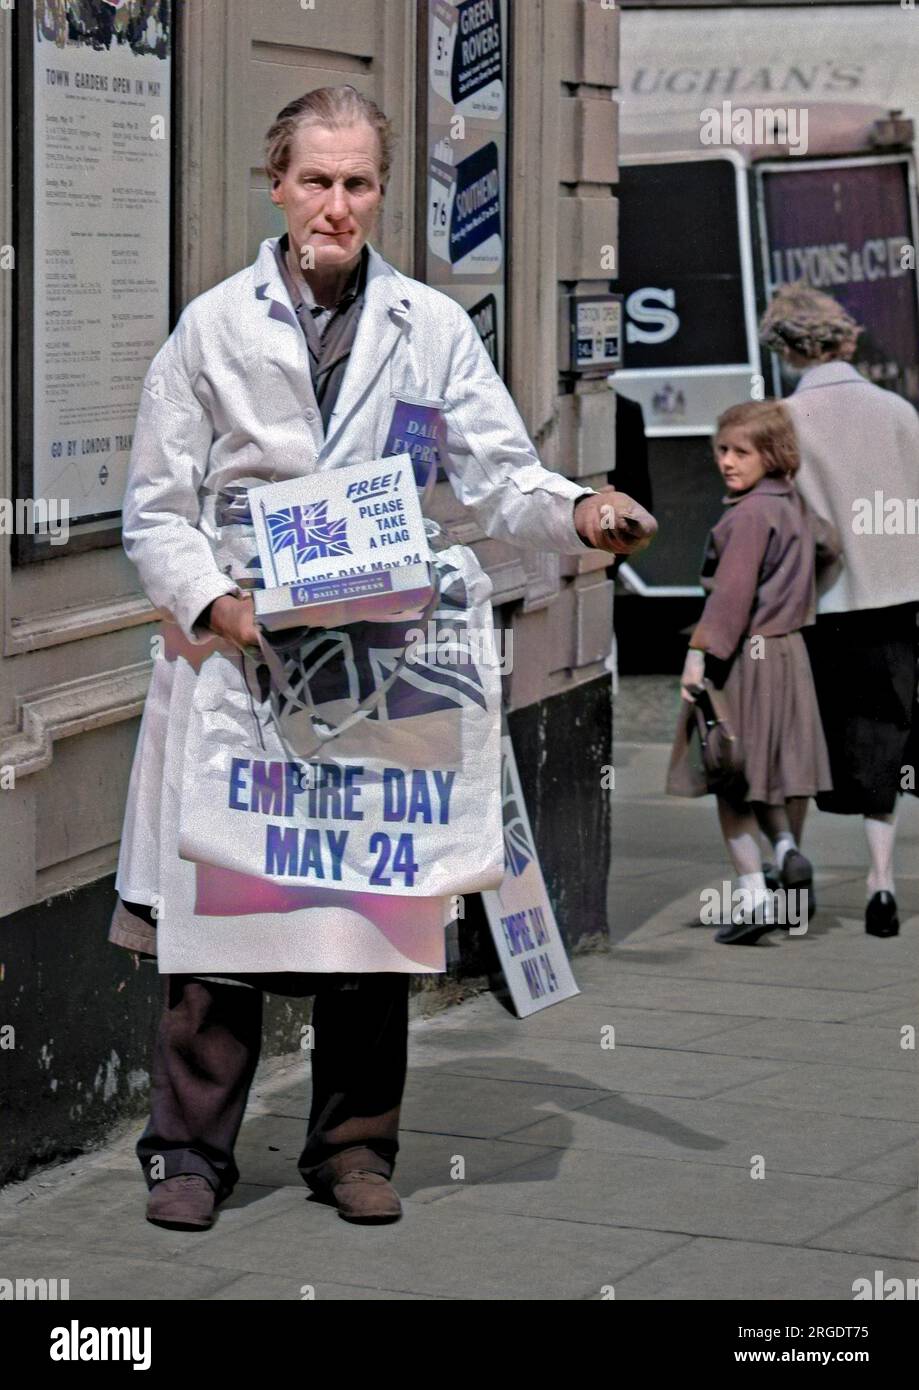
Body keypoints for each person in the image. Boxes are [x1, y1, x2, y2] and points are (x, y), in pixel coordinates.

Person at [109, 85, 657, 1231]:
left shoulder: (433, 327)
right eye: (318, 179)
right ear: (277, 183)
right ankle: (189, 1156)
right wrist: (215, 602)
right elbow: (156, 509)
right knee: (222, 910)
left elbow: (502, 474)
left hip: (378, 664)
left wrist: (580, 510)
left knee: (372, 907)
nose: (338, 204)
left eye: (359, 182)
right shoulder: (212, 327)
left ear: (380, 191)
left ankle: (354, 1146)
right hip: (240, 663)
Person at [761, 284, 919, 938]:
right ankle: (880, 882)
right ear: (844, 339)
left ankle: (794, 887)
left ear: (786, 348)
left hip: (817, 605)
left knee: (805, 741)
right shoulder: (897, 412)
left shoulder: (778, 422)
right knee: (887, 737)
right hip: (896, 599)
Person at [668, 400, 840, 944]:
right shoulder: (792, 503)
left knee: (732, 775)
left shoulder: (745, 516)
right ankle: (788, 854)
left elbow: (731, 599)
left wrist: (699, 655)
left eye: (742, 451)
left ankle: (752, 894)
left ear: (773, 453)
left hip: (748, 658)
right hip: (791, 655)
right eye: (722, 449)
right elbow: (830, 547)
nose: (727, 461)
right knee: (782, 772)